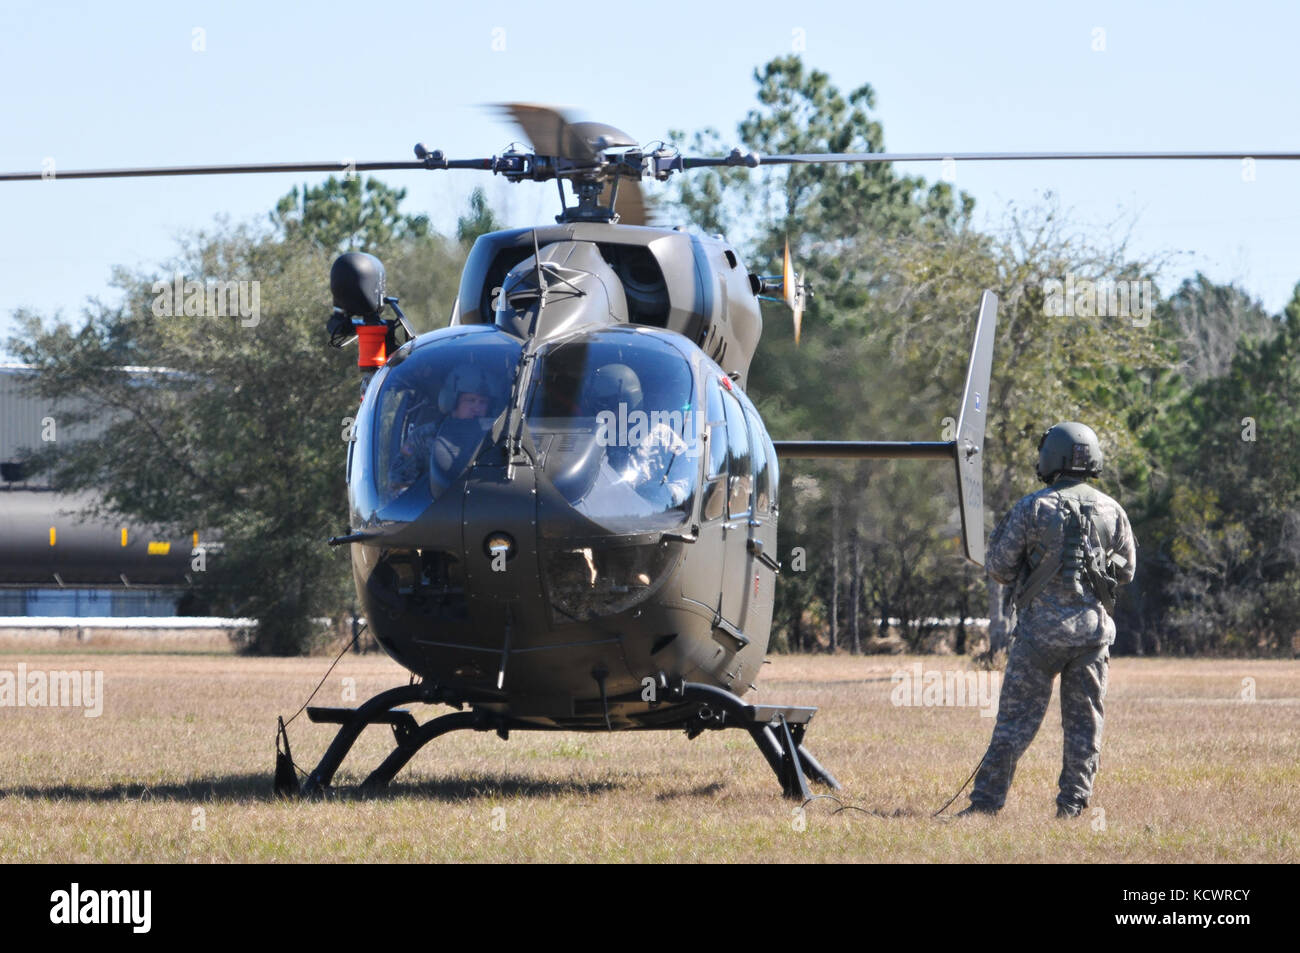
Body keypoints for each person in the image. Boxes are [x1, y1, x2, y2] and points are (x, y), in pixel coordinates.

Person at [960, 421, 1137, 819]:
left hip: (1039, 637)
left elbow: (1000, 568)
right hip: (1091, 637)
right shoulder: (1114, 510)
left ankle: (986, 805)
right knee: (1084, 728)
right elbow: (1126, 574)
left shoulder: (1032, 508)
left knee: (1013, 727)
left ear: (1051, 457)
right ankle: (1072, 807)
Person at [389, 366, 495, 492]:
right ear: (453, 400)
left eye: (482, 402)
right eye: (470, 400)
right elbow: (398, 482)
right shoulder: (423, 436)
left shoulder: (495, 433)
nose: (476, 407)